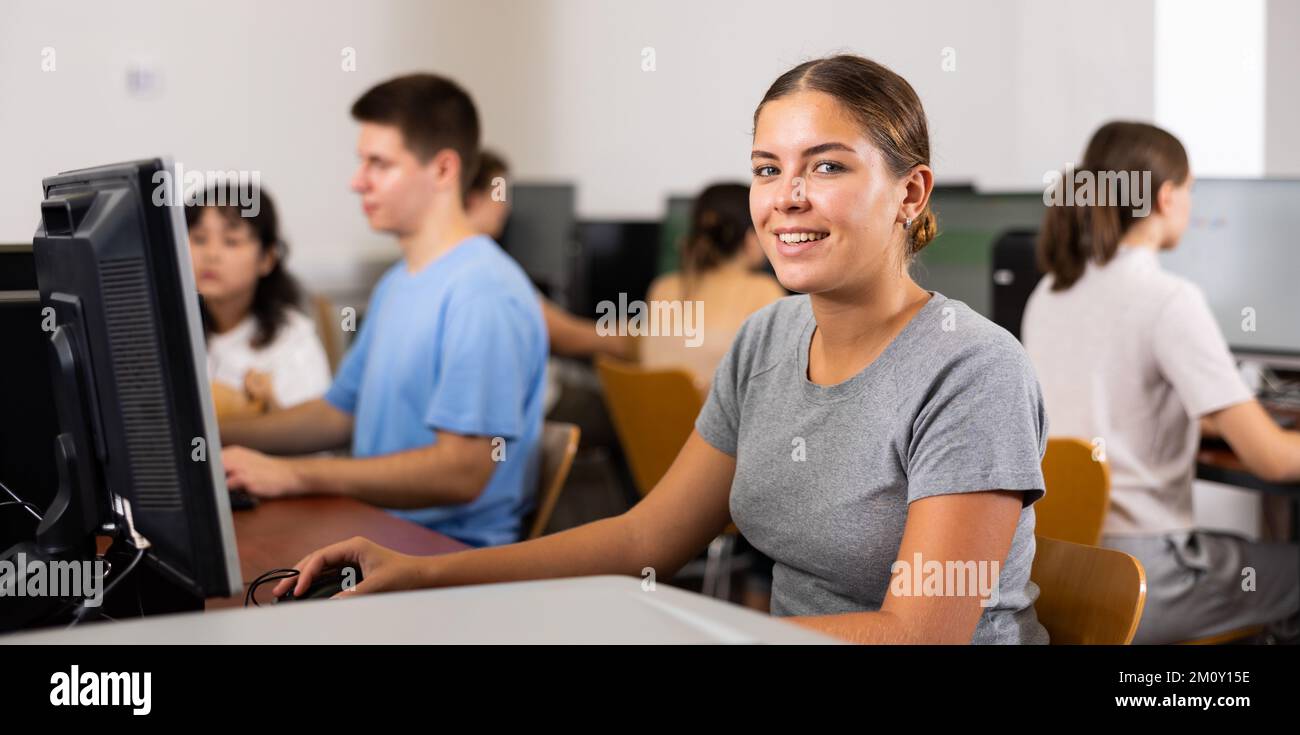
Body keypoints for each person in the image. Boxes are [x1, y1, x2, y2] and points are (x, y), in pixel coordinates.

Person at [276, 55, 1050, 645]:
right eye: (766, 169)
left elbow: (918, 633)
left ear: (911, 195)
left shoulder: (971, 368)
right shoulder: (766, 341)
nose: (787, 197)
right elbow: (647, 537)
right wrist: (424, 575)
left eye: (827, 165)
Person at [220, 74, 548, 548]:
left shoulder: (483, 293)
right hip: (377, 531)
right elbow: (338, 415)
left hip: (446, 557)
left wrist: (294, 475)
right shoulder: (399, 283)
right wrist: (214, 434)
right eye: (361, 162)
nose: (358, 182)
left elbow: (462, 472)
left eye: (379, 164)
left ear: (442, 171)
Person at [1022, 121, 1300, 643]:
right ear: (1168, 197)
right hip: (1145, 574)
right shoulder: (1168, 299)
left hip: (1062, 566)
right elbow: (1274, 459)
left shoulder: (1049, 295)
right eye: (1191, 192)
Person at [186, 180, 331, 417]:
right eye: (199, 239)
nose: (211, 255)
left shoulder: (292, 339)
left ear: (267, 258)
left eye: (231, 241)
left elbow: (317, 445)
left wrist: (270, 412)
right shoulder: (169, 329)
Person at [641, 182, 786, 392]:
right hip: (717, 424)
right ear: (750, 237)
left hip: (654, 423)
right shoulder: (763, 290)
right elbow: (773, 383)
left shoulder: (662, 287)